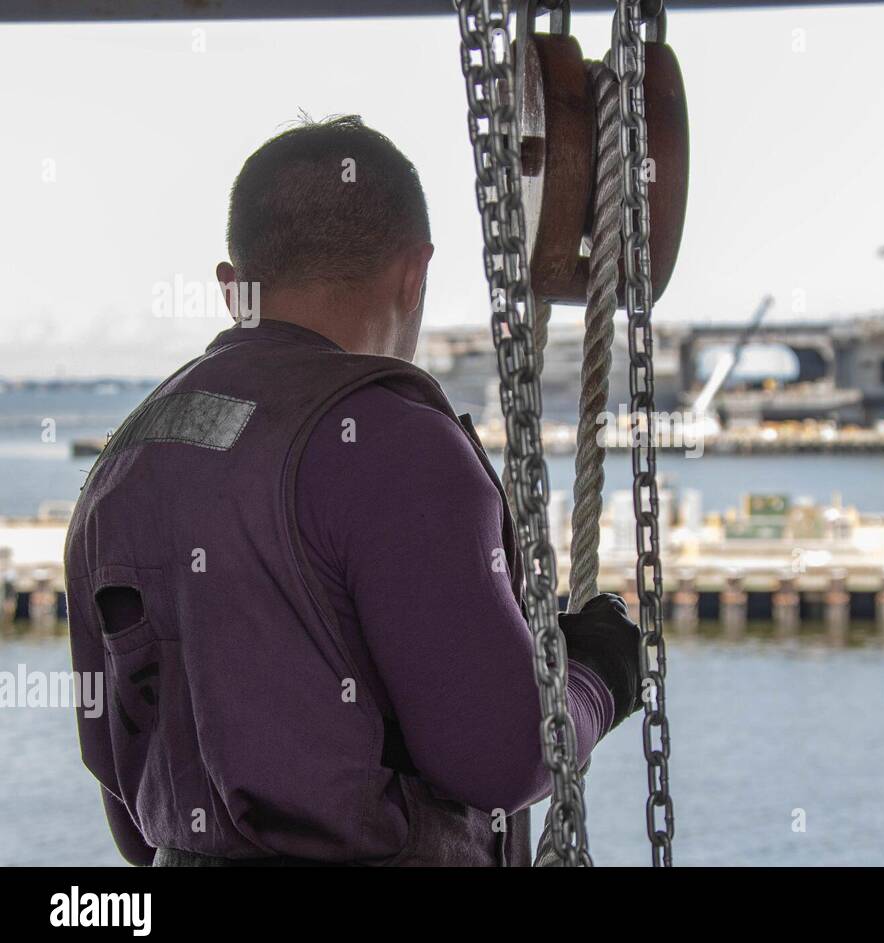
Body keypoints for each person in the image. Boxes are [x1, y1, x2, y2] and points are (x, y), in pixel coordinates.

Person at [64, 116, 642, 867]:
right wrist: (597, 674)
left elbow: (122, 785)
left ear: (232, 287)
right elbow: (502, 760)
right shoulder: (395, 442)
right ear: (415, 272)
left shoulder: (125, 460)